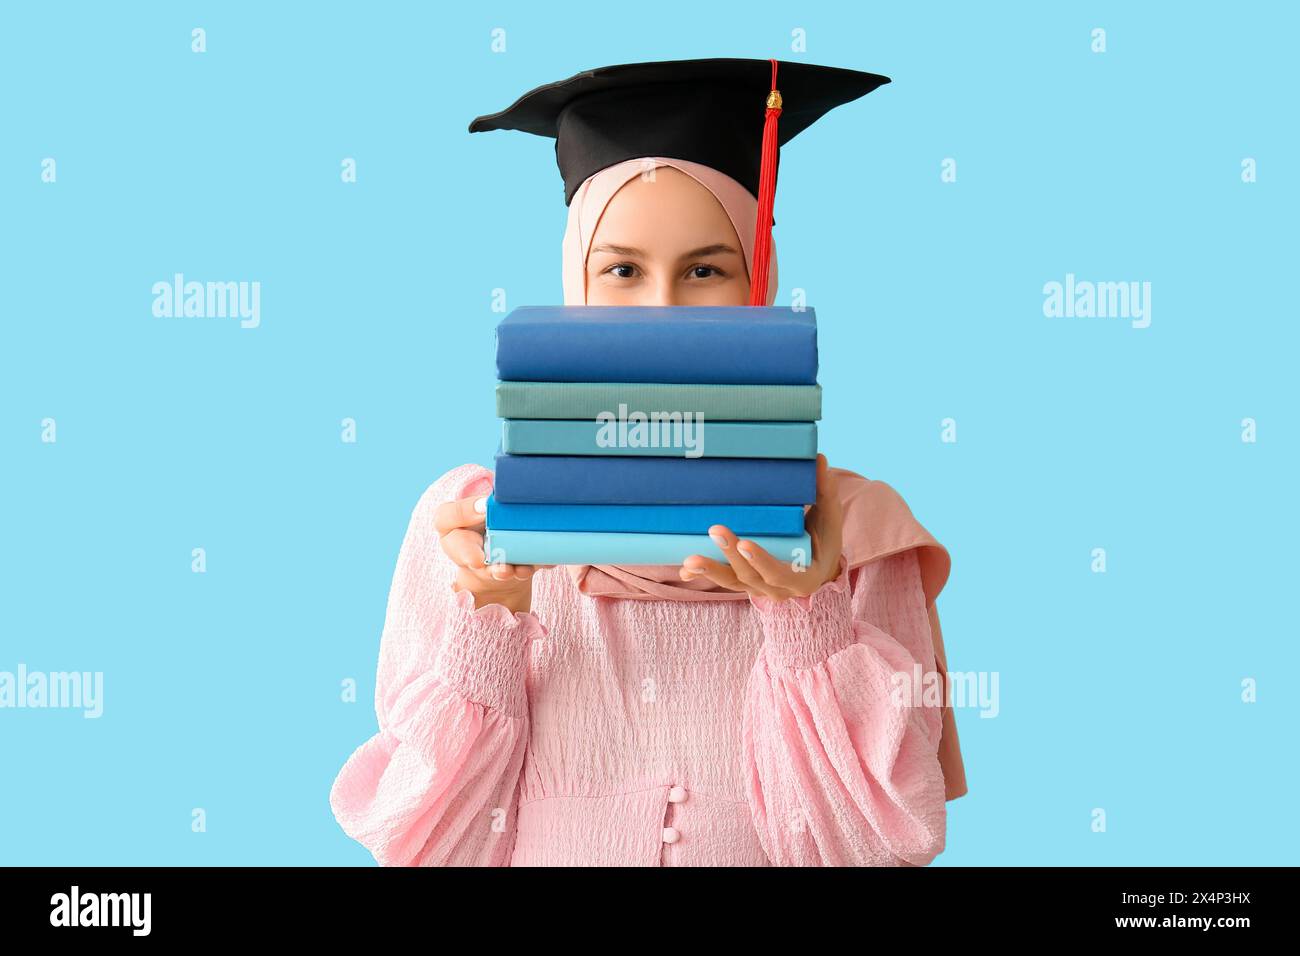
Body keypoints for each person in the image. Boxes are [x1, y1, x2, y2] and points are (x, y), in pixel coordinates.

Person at [329, 57, 968, 866]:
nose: (663, 308)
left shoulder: (853, 531)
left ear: (759, 280)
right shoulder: (477, 529)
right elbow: (425, 848)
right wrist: (489, 624)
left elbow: (878, 846)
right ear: (574, 284)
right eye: (622, 269)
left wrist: (809, 623)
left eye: (706, 269)